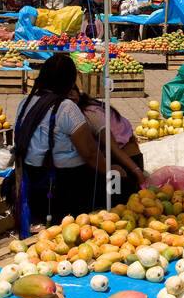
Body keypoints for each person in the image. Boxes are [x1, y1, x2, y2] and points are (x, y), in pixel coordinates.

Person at [11, 54, 110, 228]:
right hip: (63, 183)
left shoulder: (24, 102)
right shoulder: (66, 108)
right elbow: (90, 153)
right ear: (70, 81)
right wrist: (110, 170)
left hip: (32, 176)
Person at [76, 89, 148, 199]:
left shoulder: (91, 114)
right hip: (127, 157)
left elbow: (113, 148)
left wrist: (137, 172)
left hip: (126, 162)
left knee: (118, 201)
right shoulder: (90, 104)